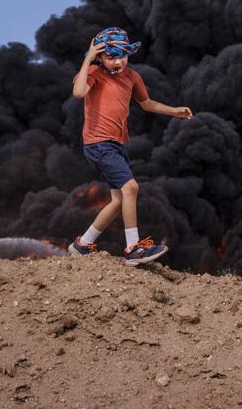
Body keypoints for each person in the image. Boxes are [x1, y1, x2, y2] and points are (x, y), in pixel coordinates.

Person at [67, 27, 192, 264]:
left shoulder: (132, 77)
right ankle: (133, 248)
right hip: (98, 143)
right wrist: (88, 59)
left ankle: (83, 244)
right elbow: (78, 92)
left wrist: (174, 111)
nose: (116, 62)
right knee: (131, 188)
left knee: (118, 200)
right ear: (100, 57)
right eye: (110, 56)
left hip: (116, 145)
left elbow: (147, 104)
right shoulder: (93, 72)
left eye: (121, 56)